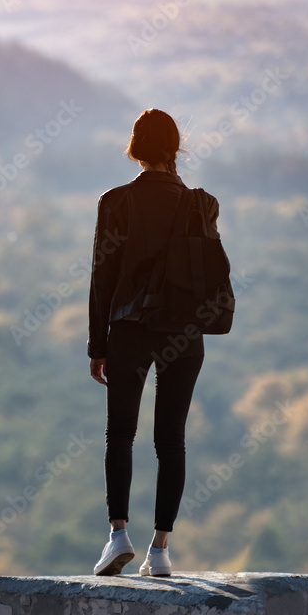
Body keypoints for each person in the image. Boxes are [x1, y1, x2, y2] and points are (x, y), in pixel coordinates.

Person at [87, 109, 221, 577]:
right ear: (175, 149)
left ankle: (117, 535)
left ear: (135, 148)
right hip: (184, 331)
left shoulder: (116, 202)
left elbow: (102, 279)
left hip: (128, 328)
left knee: (120, 433)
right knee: (172, 440)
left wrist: (96, 345)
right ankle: (160, 549)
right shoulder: (201, 204)